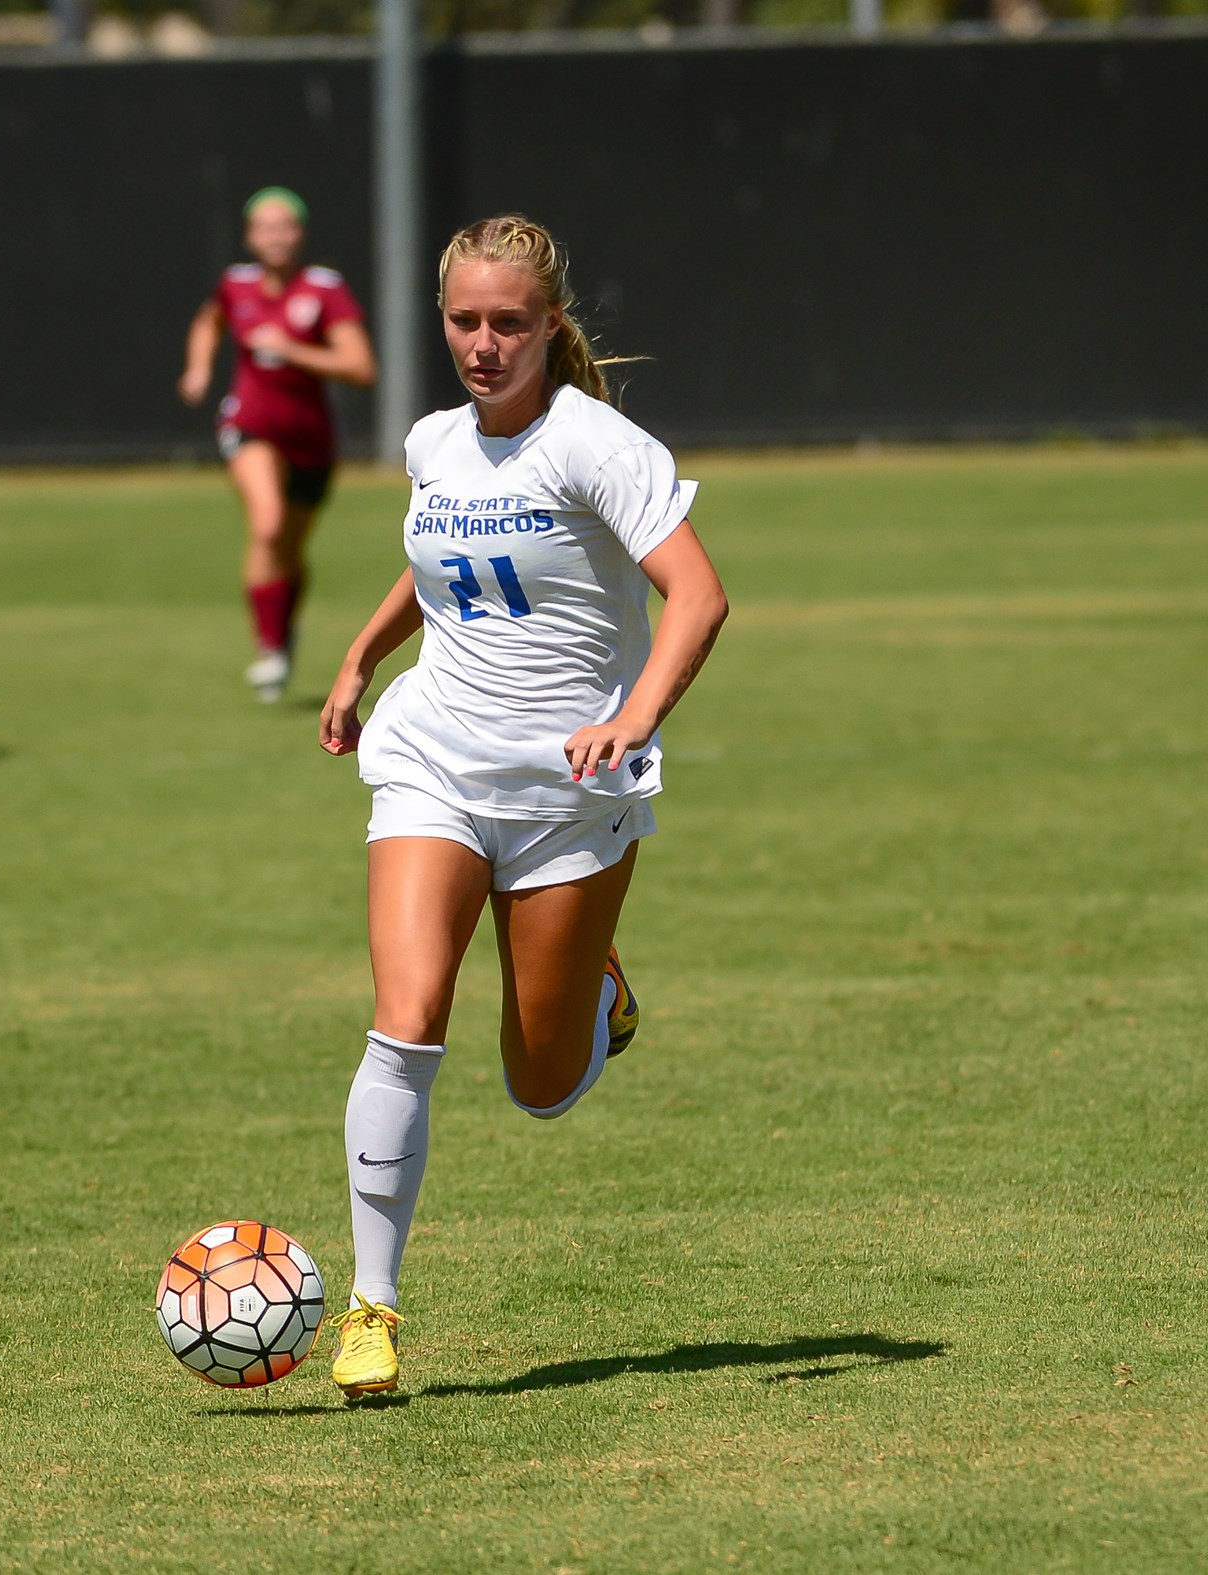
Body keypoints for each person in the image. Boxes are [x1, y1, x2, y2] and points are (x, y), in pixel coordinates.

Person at [318, 215, 729, 1398]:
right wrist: (357, 656)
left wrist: (637, 715)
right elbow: (438, 561)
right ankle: (373, 1308)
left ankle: (595, 988)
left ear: (551, 322)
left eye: (508, 322)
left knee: (539, 1083)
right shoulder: (433, 442)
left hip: (569, 794)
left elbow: (696, 597)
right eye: (463, 322)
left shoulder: (598, 445)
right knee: (406, 1019)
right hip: (434, 765)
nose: (484, 345)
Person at [178, 187, 377, 701]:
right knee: (266, 526)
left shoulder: (324, 289)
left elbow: (360, 367)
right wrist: (199, 368)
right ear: (250, 236)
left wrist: (293, 350)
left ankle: (283, 634)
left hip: (310, 438)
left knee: (289, 548)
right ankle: (267, 648)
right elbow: (208, 320)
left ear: (300, 233)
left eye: (285, 225)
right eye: (265, 227)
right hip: (250, 426)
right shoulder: (235, 284)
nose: (276, 236)